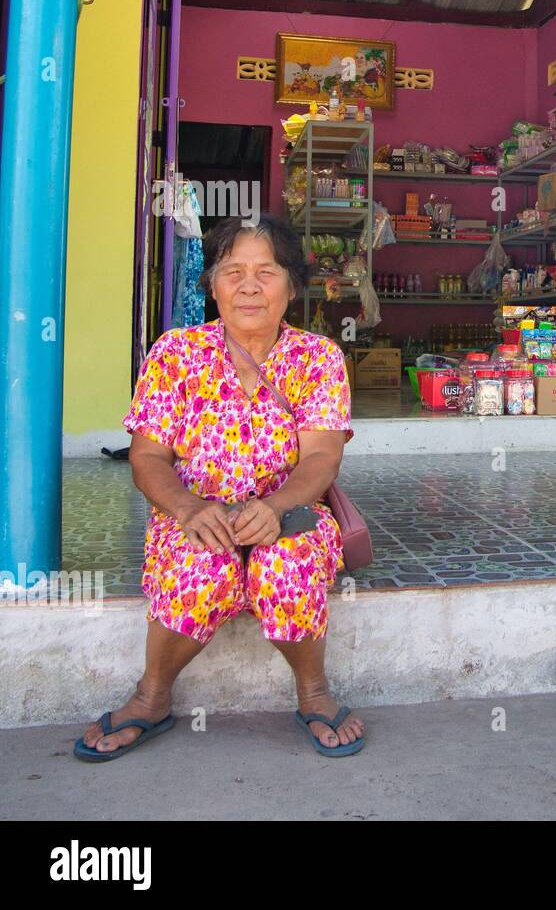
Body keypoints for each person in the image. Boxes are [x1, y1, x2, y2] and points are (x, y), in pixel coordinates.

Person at [75, 216, 366, 759]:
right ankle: (151, 696)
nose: (249, 286)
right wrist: (187, 507)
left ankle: (315, 692)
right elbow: (147, 457)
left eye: (266, 272)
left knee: (287, 564)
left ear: (292, 286)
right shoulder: (175, 354)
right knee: (199, 566)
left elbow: (323, 455)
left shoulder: (318, 358)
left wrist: (277, 507)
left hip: (291, 509)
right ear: (212, 285)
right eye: (233, 271)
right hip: (195, 511)